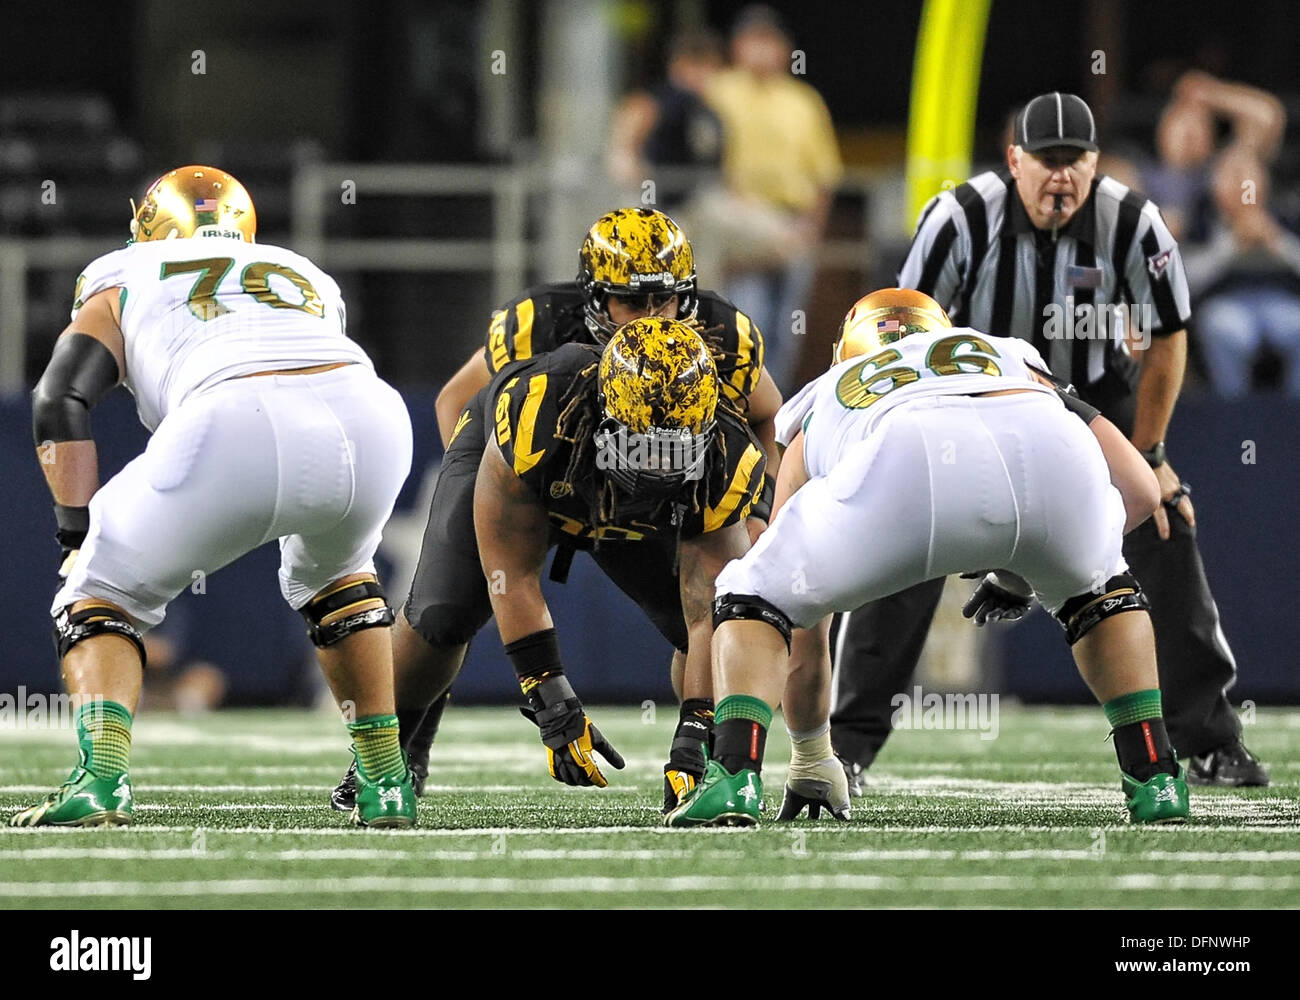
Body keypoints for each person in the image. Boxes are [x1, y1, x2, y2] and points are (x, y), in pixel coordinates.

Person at [829, 92, 1267, 790]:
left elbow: (1168, 338)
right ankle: (844, 746)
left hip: (1088, 399)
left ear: (1096, 164)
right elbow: (902, 332)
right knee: (901, 536)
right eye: (1047, 161)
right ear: (1014, 160)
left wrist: (1151, 453)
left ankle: (1210, 739)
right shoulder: (959, 218)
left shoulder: (1133, 221)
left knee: (1163, 520)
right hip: (972, 402)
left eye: (1075, 161)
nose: (1061, 177)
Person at [666, 289, 1190, 827]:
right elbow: (1143, 491)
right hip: (1047, 444)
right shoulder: (1009, 353)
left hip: (903, 460)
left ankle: (734, 777)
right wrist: (1036, 568)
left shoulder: (826, 392)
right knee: (1103, 590)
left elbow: (799, 621)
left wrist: (811, 754)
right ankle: (1156, 777)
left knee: (749, 595)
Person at [331, 207, 782, 811]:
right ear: (595, 299)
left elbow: (710, 605)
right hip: (529, 462)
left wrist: (694, 731)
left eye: (666, 302)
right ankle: (390, 757)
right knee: (442, 610)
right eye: (631, 302)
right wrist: (504, 488)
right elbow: (506, 560)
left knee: (730, 620)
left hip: (659, 484)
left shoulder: (723, 385)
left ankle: (707, 762)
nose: (651, 319)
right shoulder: (538, 352)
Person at [13, 166, 416, 828]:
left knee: (96, 593)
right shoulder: (301, 269)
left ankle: (101, 780)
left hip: (236, 413)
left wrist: (74, 530)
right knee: (342, 582)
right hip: (374, 415)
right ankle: (386, 782)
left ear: (149, 225)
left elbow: (60, 397)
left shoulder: (122, 272)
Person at [704, 5, 843, 390]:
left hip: (794, 223)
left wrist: (813, 230)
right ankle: (743, 402)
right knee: (750, 317)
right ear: (737, 46)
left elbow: (824, 174)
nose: (763, 51)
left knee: (787, 328)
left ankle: (773, 413)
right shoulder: (719, 90)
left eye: (771, 42)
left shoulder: (803, 100)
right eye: (754, 41)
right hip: (742, 222)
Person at [1185, 144, 1300, 397]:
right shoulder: (1203, 217)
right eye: (1230, 177)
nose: (1240, 186)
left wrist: (1278, 241)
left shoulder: (1286, 214)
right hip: (1225, 304)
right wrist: (1231, 245)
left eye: (1246, 177)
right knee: (1224, 329)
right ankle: (1235, 413)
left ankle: (1294, 415)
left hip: (1282, 302)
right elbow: (1185, 278)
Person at [607, 29, 726, 215]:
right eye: (696, 65)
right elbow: (635, 115)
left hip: (695, 199)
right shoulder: (665, 99)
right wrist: (624, 155)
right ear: (677, 65)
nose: (703, 74)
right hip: (659, 200)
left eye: (710, 66)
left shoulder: (709, 109)